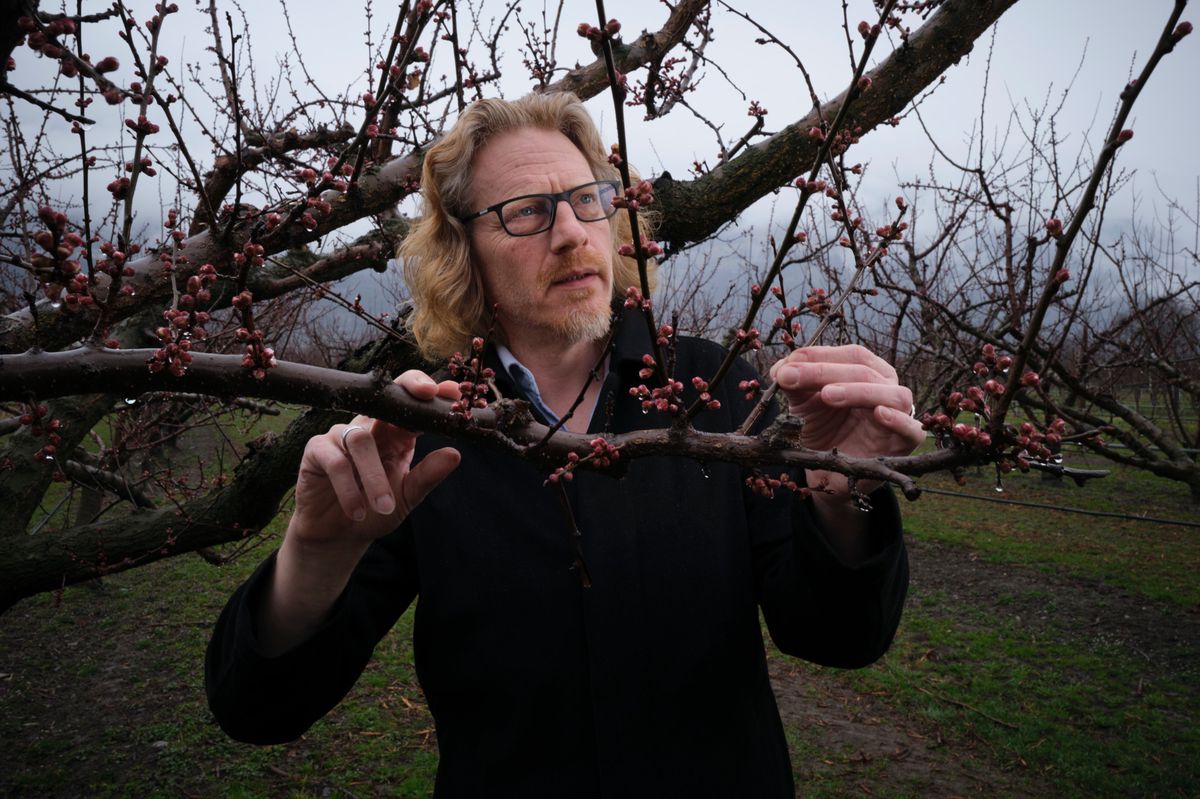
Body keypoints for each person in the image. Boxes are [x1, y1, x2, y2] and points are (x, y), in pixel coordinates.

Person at [206, 92, 925, 797]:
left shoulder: (709, 387)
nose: (574, 233)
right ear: (465, 252)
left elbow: (840, 635)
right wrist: (316, 557)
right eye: (525, 211)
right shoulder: (422, 430)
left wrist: (843, 496)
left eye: (589, 199)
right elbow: (258, 706)